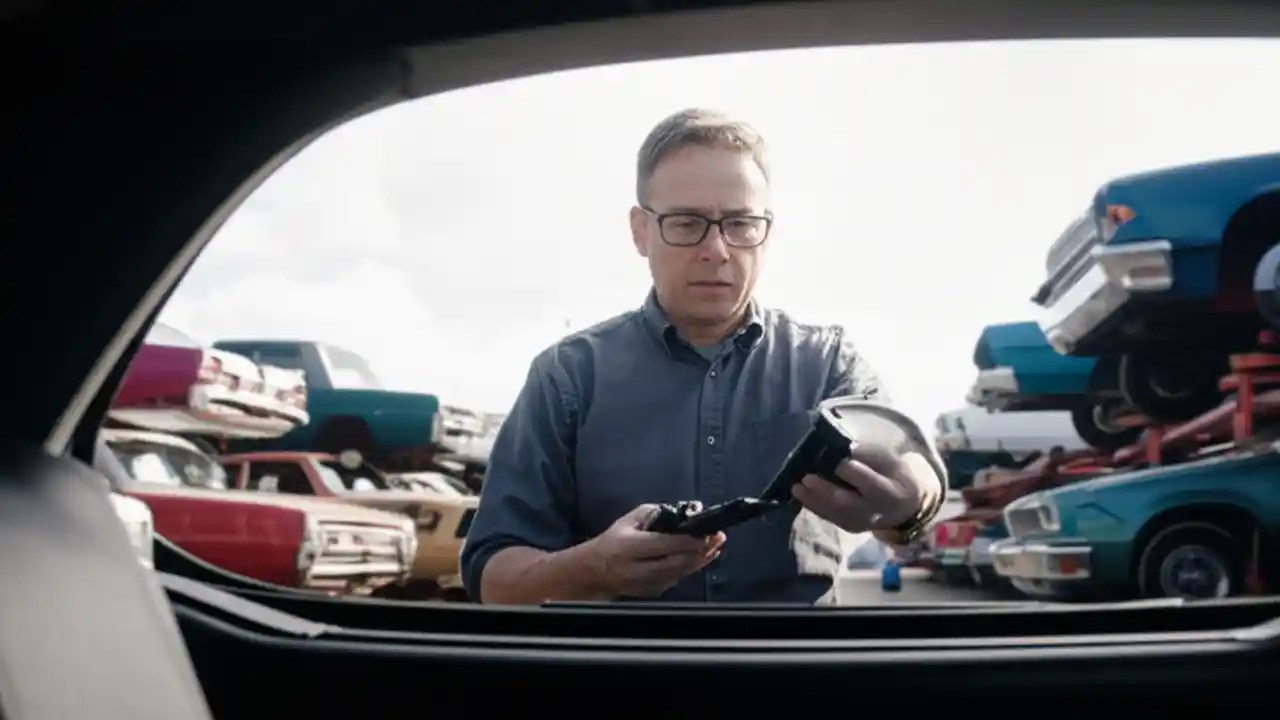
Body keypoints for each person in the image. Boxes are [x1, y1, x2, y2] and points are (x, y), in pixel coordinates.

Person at [460, 108, 944, 606]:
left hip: (799, 678)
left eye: (739, 223)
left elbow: (918, 479)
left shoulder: (827, 364)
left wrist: (911, 503)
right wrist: (591, 571)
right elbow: (492, 577)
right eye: (687, 223)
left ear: (767, 233)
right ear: (640, 231)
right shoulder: (565, 378)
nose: (717, 249)